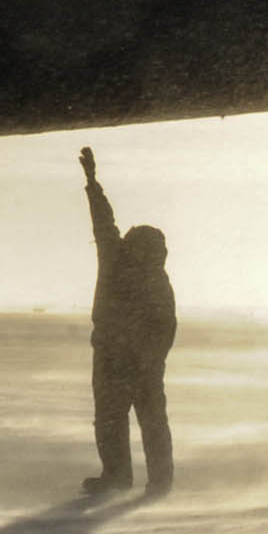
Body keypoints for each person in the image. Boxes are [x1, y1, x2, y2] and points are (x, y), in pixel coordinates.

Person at [78, 144, 177, 499]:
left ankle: (157, 481)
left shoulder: (154, 279)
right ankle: (119, 476)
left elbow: (166, 327)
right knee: (111, 420)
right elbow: (103, 220)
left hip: (136, 361)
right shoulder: (117, 258)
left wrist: (147, 359)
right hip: (112, 355)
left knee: (146, 421)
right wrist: (92, 183)